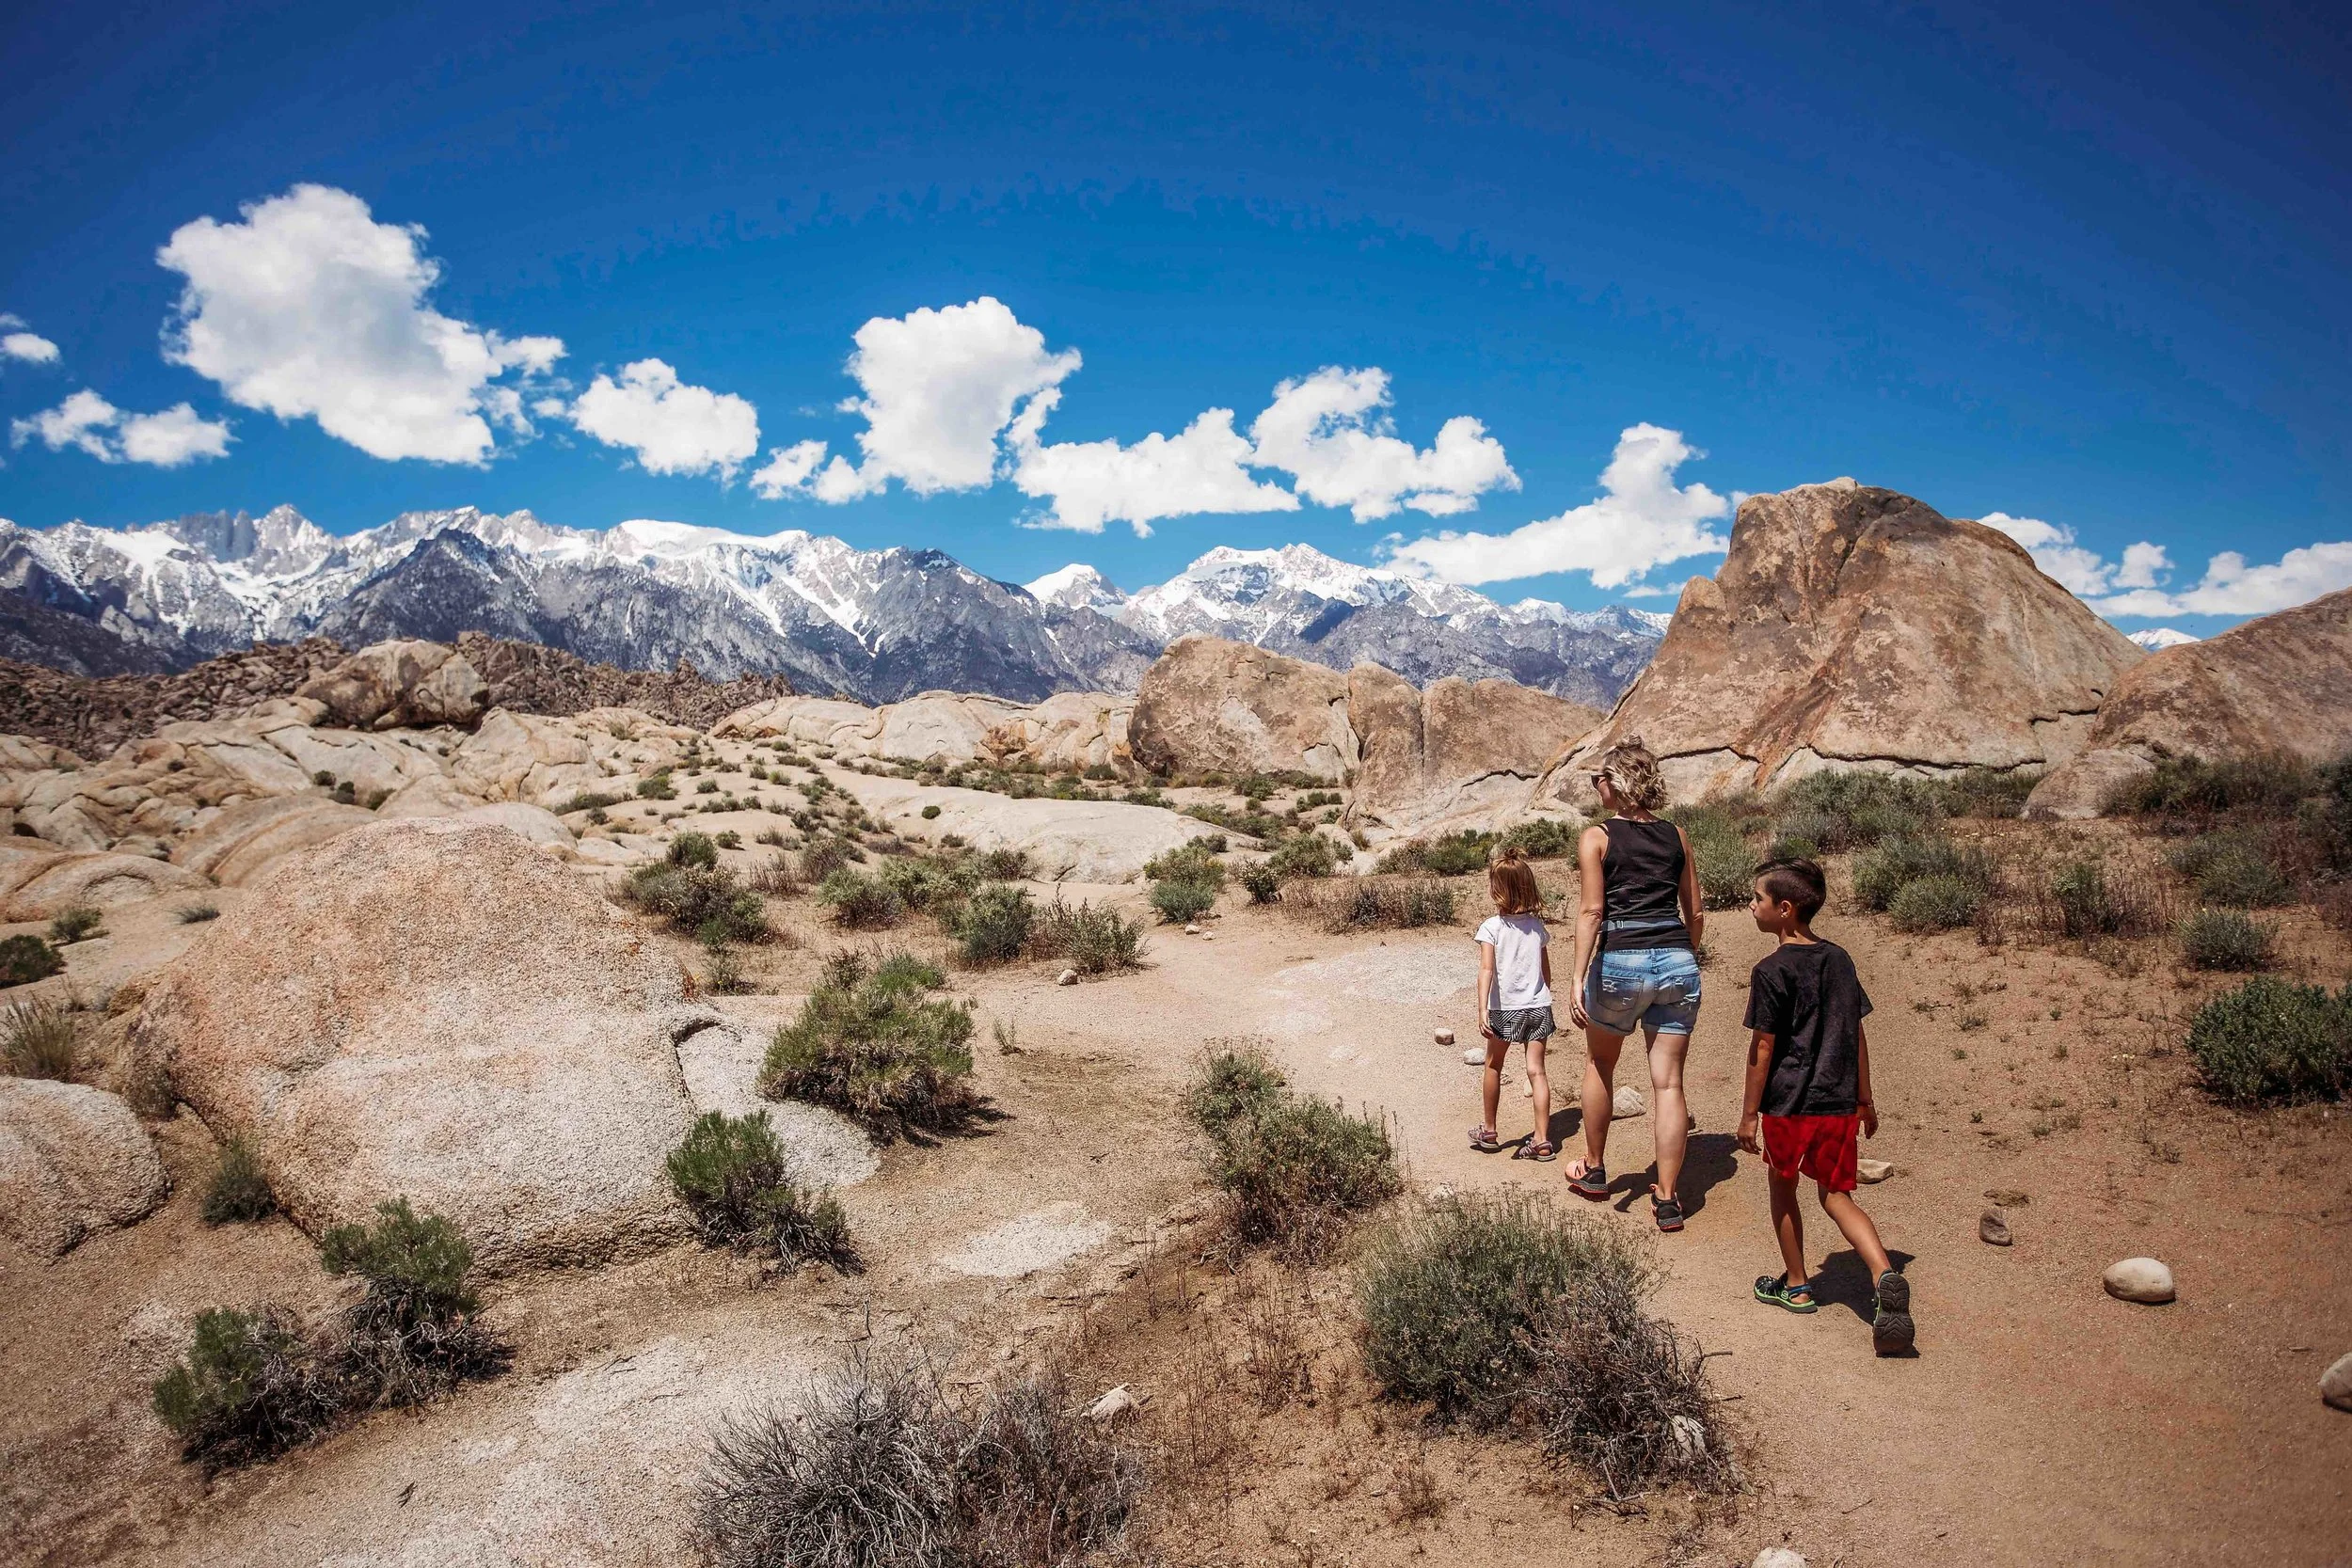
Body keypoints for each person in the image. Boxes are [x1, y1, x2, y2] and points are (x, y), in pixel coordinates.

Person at [1736, 857, 1915, 1355]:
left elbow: (1763, 1048)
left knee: (1783, 1187)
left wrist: (1749, 1114)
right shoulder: (1839, 960)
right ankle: (1883, 1274)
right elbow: (1855, 1032)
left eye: (1757, 898)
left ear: (1785, 909)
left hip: (1788, 1105)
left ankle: (1796, 1285)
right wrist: (1864, 1098)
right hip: (1837, 1101)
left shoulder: (1770, 970)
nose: (1751, 906)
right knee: (1836, 1196)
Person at [1565, 737, 1703, 1232]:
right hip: (1677, 961)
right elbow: (1696, 912)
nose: (1595, 786)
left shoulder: (1597, 837)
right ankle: (1666, 1198)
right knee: (1668, 1083)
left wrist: (1577, 976)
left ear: (1617, 782)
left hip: (1620, 961)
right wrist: (1682, 955)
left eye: (1598, 778)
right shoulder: (1677, 836)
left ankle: (1595, 1170)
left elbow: (1592, 911)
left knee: (1600, 1064)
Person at [1468, 847, 1557, 1159]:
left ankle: (1490, 1131)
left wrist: (1482, 1009)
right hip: (1538, 1006)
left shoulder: (1491, 928)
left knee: (1494, 1065)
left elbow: (1486, 971)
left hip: (1505, 1009)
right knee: (1537, 1071)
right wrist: (1538, 993)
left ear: (1497, 890)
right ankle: (1542, 1140)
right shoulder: (1537, 927)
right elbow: (1546, 973)